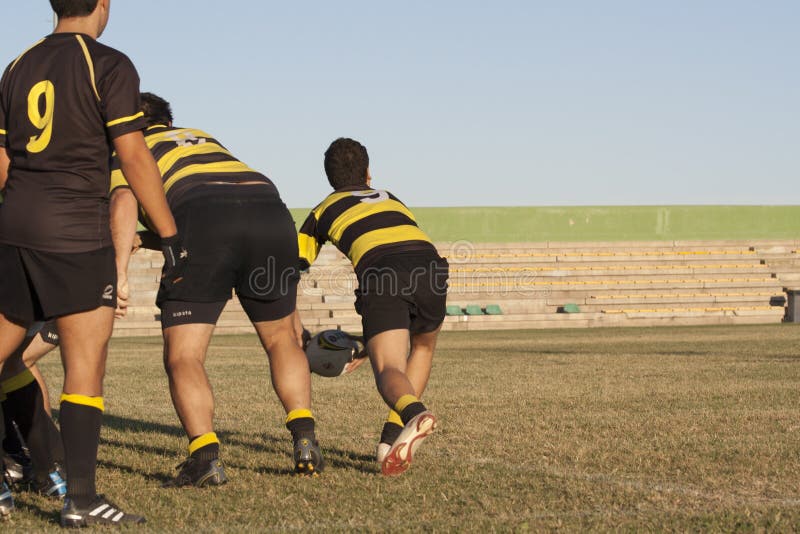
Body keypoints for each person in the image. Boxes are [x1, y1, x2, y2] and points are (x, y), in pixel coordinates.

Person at [0, 0, 182, 526]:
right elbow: (134, 155)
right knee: (84, 368)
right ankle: (80, 498)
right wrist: (170, 235)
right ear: (103, 3)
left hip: (14, 228)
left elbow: (4, 161)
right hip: (76, 235)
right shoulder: (108, 62)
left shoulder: (17, 65)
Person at [110, 92, 324, 487]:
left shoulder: (128, 147)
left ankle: (205, 459)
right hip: (269, 209)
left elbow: (126, 199)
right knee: (282, 339)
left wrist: (118, 271)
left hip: (201, 215)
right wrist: (145, 238)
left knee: (185, 355)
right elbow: (224, 210)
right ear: (168, 121)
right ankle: (305, 440)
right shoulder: (202, 137)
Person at [296, 138, 449, 476]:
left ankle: (415, 414)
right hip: (430, 265)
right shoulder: (389, 196)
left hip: (383, 270)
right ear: (368, 173)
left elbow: (295, 264)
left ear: (330, 178)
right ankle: (389, 442)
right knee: (422, 348)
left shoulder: (323, 209)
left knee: (389, 367)